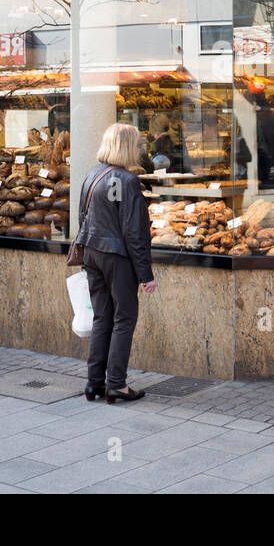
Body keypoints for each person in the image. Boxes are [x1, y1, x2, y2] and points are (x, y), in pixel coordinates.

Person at [74, 123, 157, 403]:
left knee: (102, 317)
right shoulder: (128, 180)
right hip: (118, 257)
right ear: (126, 147)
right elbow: (134, 234)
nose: (139, 150)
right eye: (136, 144)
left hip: (93, 253)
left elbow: (82, 218)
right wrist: (146, 275)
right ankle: (117, 384)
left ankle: (94, 382)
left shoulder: (92, 174)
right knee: (124, 318)